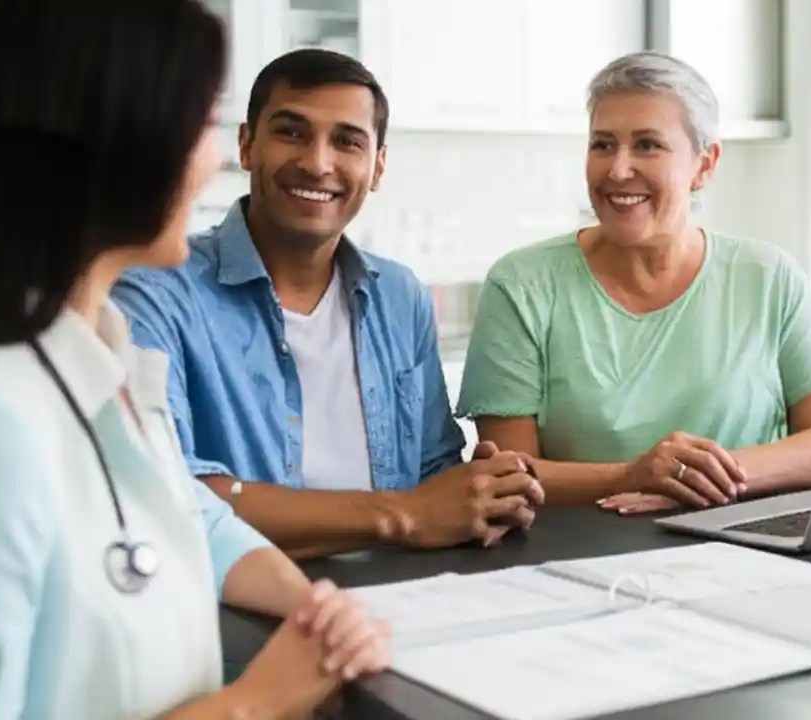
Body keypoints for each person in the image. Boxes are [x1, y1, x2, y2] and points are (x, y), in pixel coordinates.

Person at [0, 1, 389, 717]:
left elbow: (188, 516)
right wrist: (259, 700)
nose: (215, 159)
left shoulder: (103, 347)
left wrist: (313, 607)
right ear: (119, 144)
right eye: (199, 125)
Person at [111, 49, 542, 558]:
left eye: (347, 141)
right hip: (249, 606)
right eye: (291, 132)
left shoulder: (399, 295)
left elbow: (434, 472)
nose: (317, 163)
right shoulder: (156, 295)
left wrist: (484, 492)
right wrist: (399, 516)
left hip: (404, 591)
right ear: (247, 146)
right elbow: (167, 494)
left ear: (377, 166)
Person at [457, 51, 811, 515]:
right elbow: (506, 474)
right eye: (602, 144)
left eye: (647, 144)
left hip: (747, 546)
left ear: (704, 165)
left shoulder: (768, 278)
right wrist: (632, 475)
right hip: (580, 552)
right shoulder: (521, 285)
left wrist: (709, 476)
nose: (617, 169)